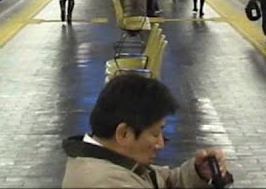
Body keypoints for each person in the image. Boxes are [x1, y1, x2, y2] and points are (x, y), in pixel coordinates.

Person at [61, 74, 229, 188]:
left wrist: (198, 173)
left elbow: (160, 179)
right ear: (124, 133)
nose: (160, 144)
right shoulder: (105, 182)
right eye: (155, 134)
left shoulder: (115, 162)